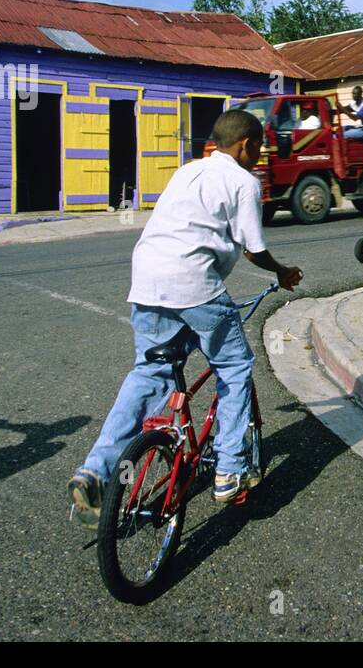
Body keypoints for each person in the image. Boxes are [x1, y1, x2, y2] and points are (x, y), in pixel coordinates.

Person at [67, 109, 303, 528]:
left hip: (146, 278)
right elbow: (253, 249)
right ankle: (229, 469)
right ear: (245, 145)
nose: (260, 155)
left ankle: (96, 472)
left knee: (150, 372)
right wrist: (281, 271)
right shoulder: (244, 181)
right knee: (234, 366)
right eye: (260, 147)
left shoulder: (187, 171)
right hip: (193, 282)